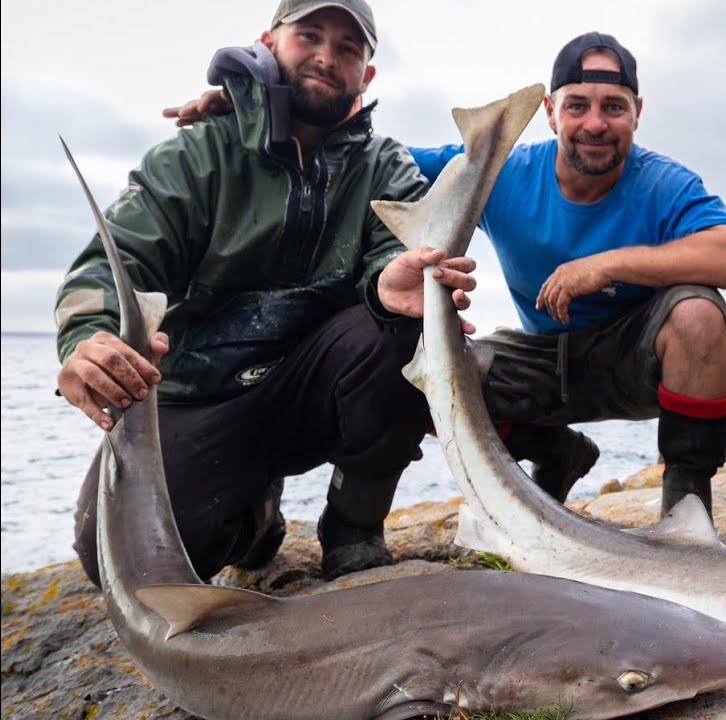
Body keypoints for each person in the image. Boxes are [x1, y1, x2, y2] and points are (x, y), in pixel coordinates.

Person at [164, 32, 726, 520]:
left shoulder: (663, 182)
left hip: (634, 361)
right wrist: (256, 109)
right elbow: (370, 153)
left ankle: (687, 507)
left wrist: (606, 264)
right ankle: (556, 451)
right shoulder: (503, 170)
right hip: (543, 359)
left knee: (697, 311)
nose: (595, 124)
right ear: (550, 113)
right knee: (422, 375)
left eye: (614, 108)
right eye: (577, 105)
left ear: (637, 114)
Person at [54, 0, 477, 585]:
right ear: (269, 42)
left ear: (368, 74)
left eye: (349, 48)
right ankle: (256, 523)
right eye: (309, 35)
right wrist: (86, 337)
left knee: (414, 317)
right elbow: (116, 260)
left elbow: (394, 254)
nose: (328, 57)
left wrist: (387, 284)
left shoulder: (385, 166)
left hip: (315, 387)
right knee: (118, 561)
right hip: (199, 394)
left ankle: (354, 523)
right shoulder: (197, 155)